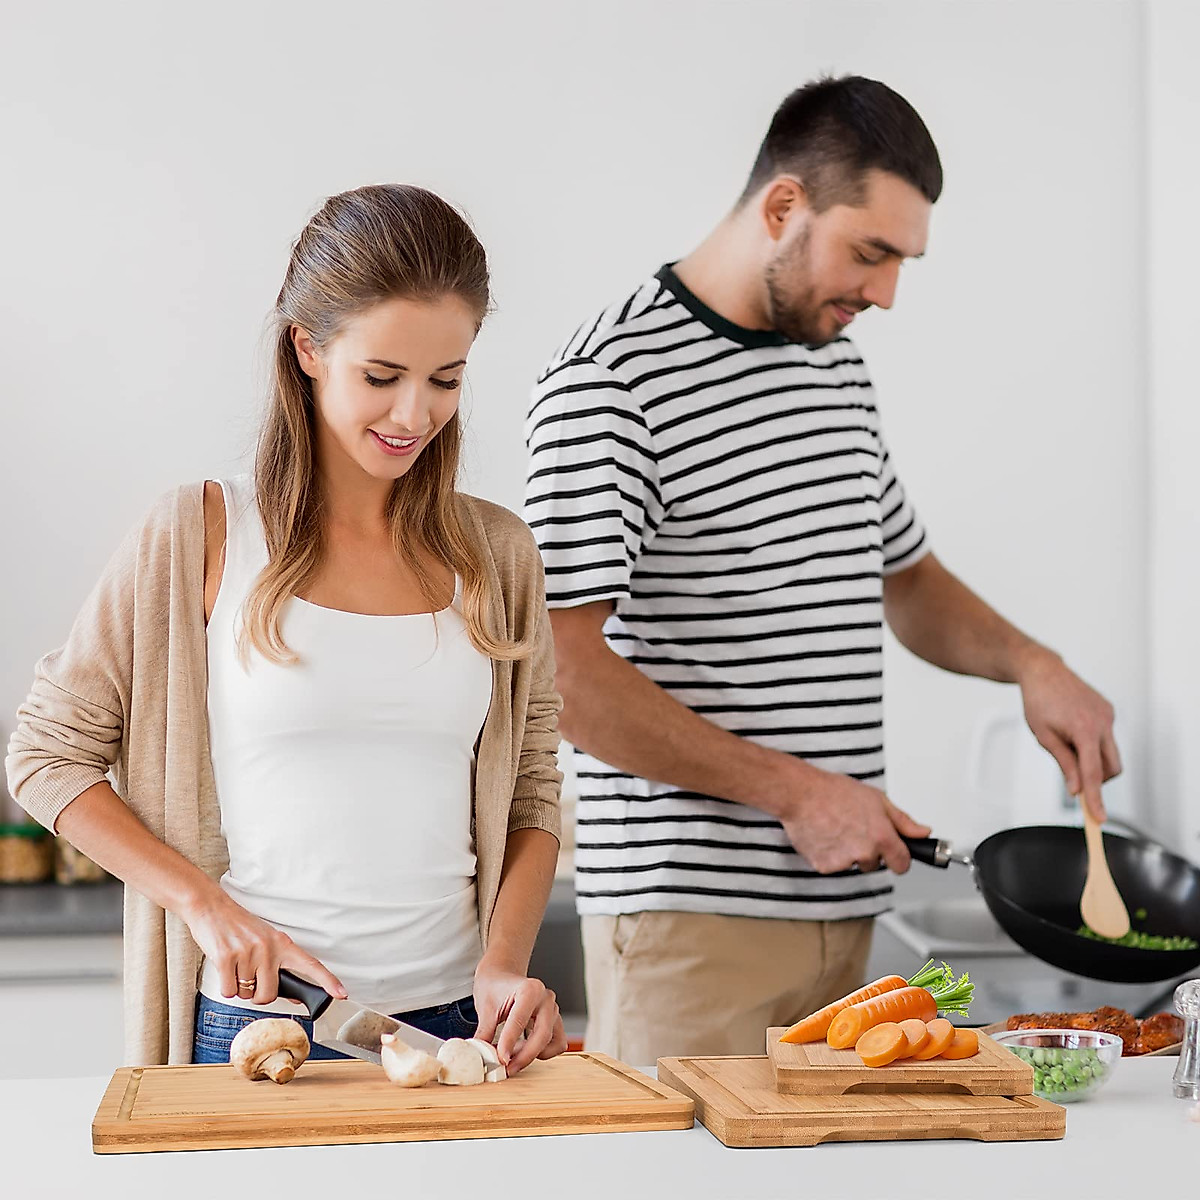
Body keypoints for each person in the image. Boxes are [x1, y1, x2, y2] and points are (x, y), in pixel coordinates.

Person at [523, 75, 1121, 1063]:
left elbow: (906, 577)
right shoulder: (608, 382)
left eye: (902, 261)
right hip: (691, 933)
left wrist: (1032, 662)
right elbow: (561, 675)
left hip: (849, 926)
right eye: (871, 252)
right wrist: (799, 793)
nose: (885, 293)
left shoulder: (831, 360)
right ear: (783, 206)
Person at [6, 184, 567, 1074]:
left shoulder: (496, 553)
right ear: (307, 347)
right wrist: (203, 905)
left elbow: (534, 794)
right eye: (381, 377)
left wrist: (505, 964)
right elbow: (44, 755)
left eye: (445, 379)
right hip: (268, 1027)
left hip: (460, 1028)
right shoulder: (200, 534)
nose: (413, 414)